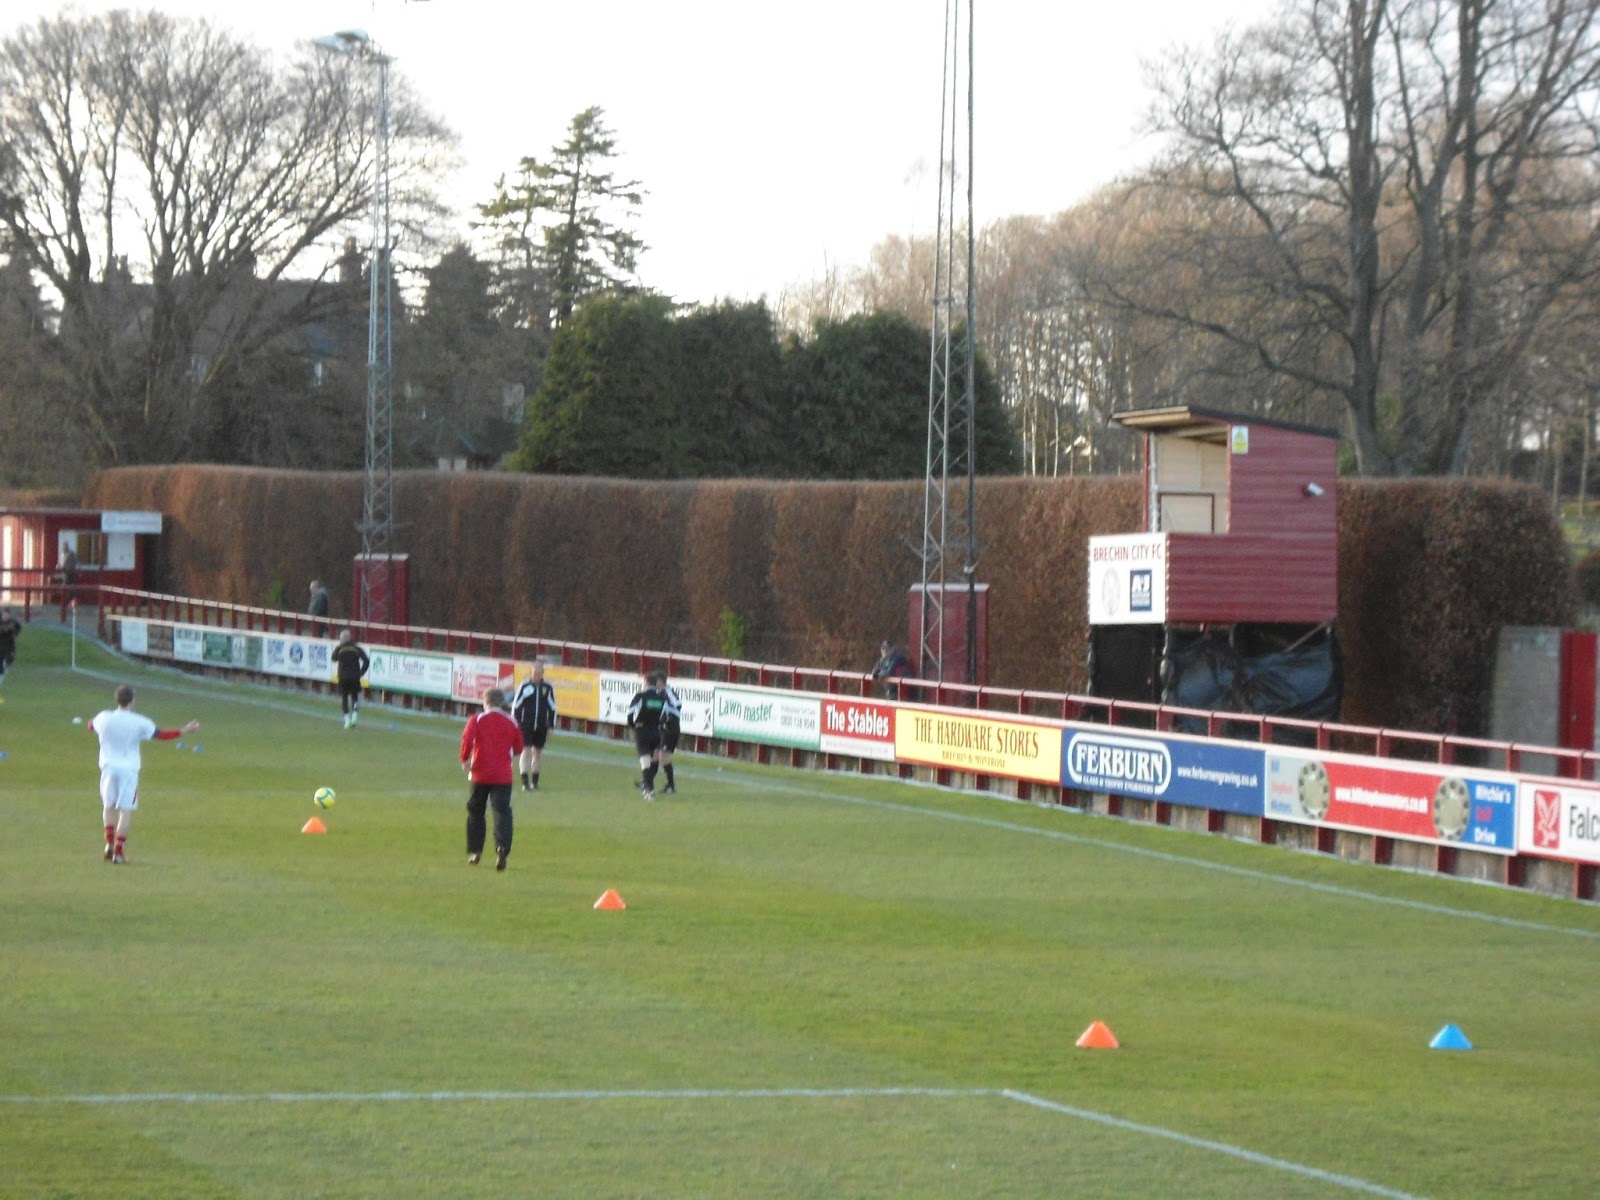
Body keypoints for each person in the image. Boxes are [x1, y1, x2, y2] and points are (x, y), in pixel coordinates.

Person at [88, 684, 199, 864]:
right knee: (125, 810)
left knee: (108, 806)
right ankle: (118, 852)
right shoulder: (139, 722)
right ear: (132, 700)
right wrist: (184, 730)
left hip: (108, 768)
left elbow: (90, 725)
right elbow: (161, 735)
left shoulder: (103, 717)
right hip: (128, 771)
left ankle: (108, 844)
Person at [460, 686, 523, 870]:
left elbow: (467, 738)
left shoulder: (477, 719)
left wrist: (465, 759)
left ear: (485, 702)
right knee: (502, 811)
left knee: (476, 810)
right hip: (503, 775)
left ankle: (475, 851)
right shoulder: (511, 721)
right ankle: (502, 848)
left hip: (480, 773)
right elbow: (519, 746)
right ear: (502, 703)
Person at [625, 669, 680, 801]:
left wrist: (633, 725)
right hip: (657, 731)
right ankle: (649, 785)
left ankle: (650, 788)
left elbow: (630, 713)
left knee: (648, 760)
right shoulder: (661, 697)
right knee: (656, 758)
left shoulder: (643, 695)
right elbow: (664, 713)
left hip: (648, 730)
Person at [511, 662, 557, 791]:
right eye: (534, 673)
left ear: (542, 673)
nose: (536, 675)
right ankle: (525, 782)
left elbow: (553, 707)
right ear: (531, 673)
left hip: (541, 725)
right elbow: (516, 706)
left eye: (538, 673)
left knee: (537, 753)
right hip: (526, 725)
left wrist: (551, 725)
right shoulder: (525, 686)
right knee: (525, 751)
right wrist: (516, 723)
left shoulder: (547, 687)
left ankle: (535, 783)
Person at [331, 628, 370, 728]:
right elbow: (366, 660)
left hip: (343, 677)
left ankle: (347, 721)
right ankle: (354, 717)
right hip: (354, 677)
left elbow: (333, 658)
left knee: (344, 698)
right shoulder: (356, 648)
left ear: (342, 639)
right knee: (354, 697)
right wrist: (361, 672)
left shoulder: (340, 648)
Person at [655, 677, 683, 794]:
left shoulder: (667, 692)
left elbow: (677, 703)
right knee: (655, 754)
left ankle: (671, 786)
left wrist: (664, 699)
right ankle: (647, 782)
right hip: (662, 728)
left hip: (670, 729)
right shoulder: (658, 693)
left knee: (663, 757)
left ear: (661, 682)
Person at [0, 607, 19, 689]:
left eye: (6, 614)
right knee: (1, 667)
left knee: (8, 662)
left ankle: (5, 668)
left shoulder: (13, 622)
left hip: (9, 647)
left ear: (9, 615)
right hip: (0, 646)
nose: (5, 616)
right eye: (4, 614)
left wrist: (15, 634)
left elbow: (18, 628)